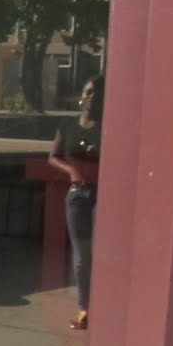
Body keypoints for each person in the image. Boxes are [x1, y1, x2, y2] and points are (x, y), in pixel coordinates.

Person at [49, 75, 104, 330]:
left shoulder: (108, 126)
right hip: (78, 196)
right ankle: (86, 308)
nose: (91, 96)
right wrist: (71, 171)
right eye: (88, 91)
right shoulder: (68, 125)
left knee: (103, 253)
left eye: (96, 92)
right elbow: (53, 157)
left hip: (104, 195)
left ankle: (106, 305)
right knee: (82, 256)